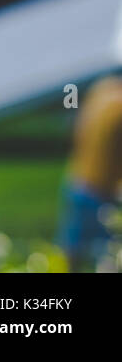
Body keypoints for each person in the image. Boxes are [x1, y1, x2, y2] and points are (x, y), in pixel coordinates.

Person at [58, 74, 122, 271]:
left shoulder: (103, 88)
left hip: (77, 181)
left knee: (71, 253)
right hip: (102, 192)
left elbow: (77, 132)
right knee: (110, 257)